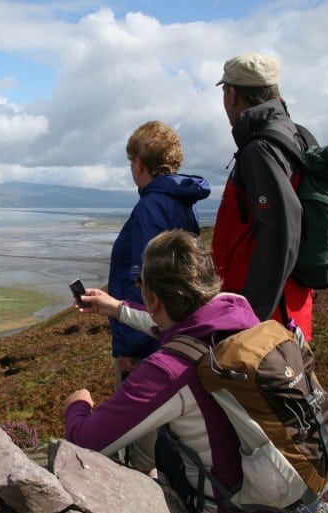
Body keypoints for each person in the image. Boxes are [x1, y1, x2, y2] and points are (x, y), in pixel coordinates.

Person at [66, 230, 319, 513]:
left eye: (141, 285)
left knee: (159, 442)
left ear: (155, 298)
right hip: (306, 493)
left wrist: (78, 404)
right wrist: (118, 309)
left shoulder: (169, 370)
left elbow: (84, 441)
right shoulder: (243, 317)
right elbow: (179, 330)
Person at [106, 121, 210, 475]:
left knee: (142, 440)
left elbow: (143, 281)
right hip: (176, 332)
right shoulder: (182, 203)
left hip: (148, 340)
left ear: (139, 163)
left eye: (131, 159)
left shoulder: (150, 208)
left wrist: (131, 348)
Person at [213, 52, 314, 341]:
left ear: (231, 94)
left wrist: (249, 322)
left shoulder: (261, 149)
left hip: (266, 323)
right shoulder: (295, 135)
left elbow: (280, 235)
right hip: (288, 308)